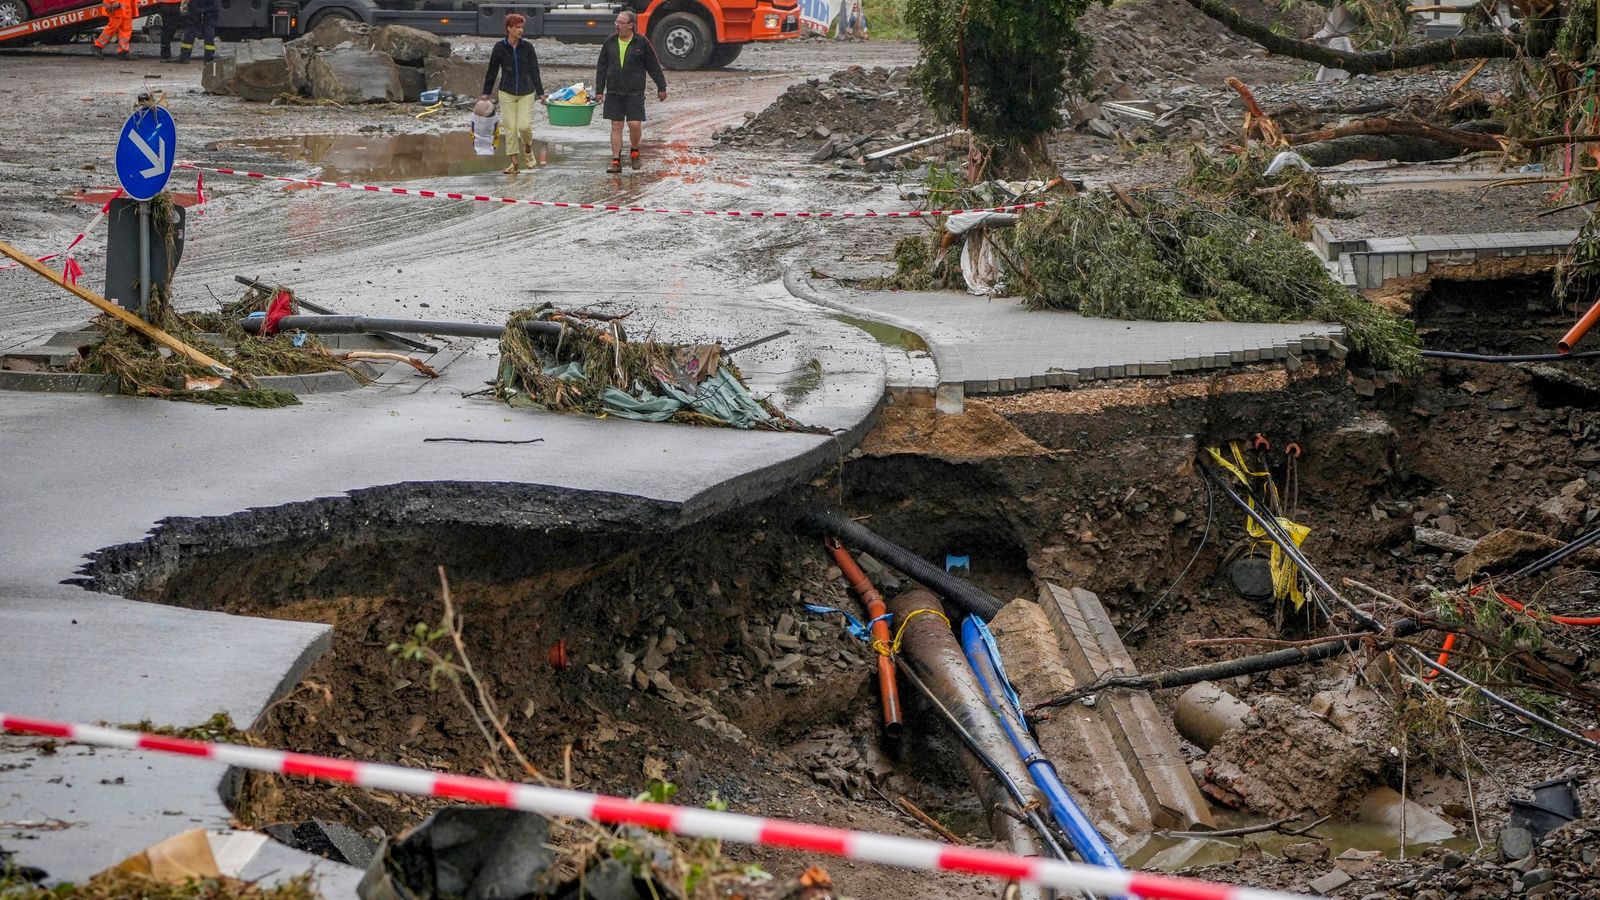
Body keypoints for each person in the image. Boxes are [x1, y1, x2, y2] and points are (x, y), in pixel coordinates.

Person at [593, 10, 666, 173]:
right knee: (616, 125)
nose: (616, 25)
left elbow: (653, 65)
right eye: (616, 22)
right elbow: (601, 67)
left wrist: (662, 87)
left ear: (631, 25)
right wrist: (599, 90)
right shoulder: (609, 42)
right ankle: (616, 160)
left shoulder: (642, 42)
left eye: (620, 22)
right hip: (614, 92)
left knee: (634, 124)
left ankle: (634, 151)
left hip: (635, 92)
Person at [480, 13, 545, 175]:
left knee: (524, 126)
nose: (520, 30)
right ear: (509, 28)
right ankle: (514, 164)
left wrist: (541, 93)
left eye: (522, 27)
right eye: (517, 27)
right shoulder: (499, 47)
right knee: (510, 128)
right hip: (506, 92)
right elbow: (492, 70)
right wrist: (486, 93)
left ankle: (528, 149)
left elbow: (535, 71)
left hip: (526, 92)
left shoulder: (528, 47)